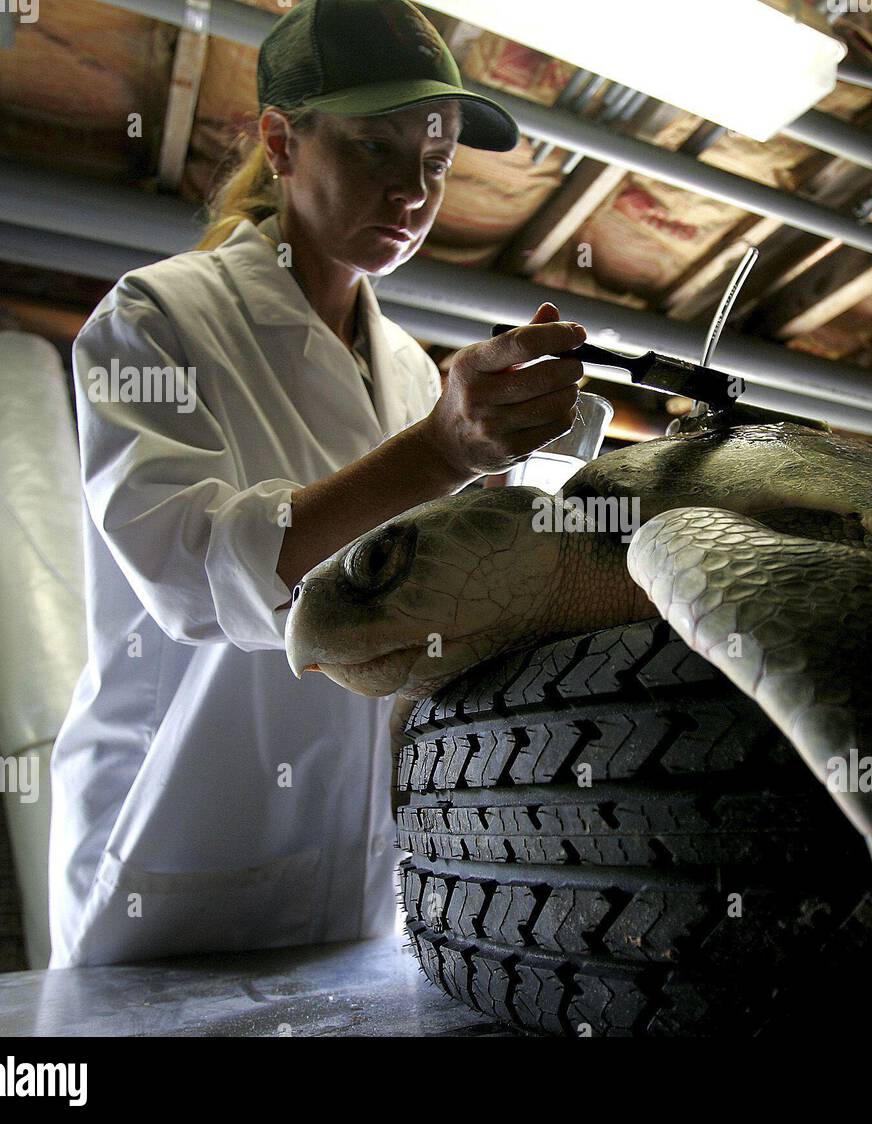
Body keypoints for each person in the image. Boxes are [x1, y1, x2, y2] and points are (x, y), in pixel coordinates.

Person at [47, 0, 586, 967]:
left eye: (435, 159)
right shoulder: (158, 320)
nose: (413, 191)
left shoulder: (417, 376)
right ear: (282, 143)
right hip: (176, 843)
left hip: (361, 868)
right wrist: (439, 453)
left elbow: (430, 616)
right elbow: (189, 574)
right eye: (378, 148)